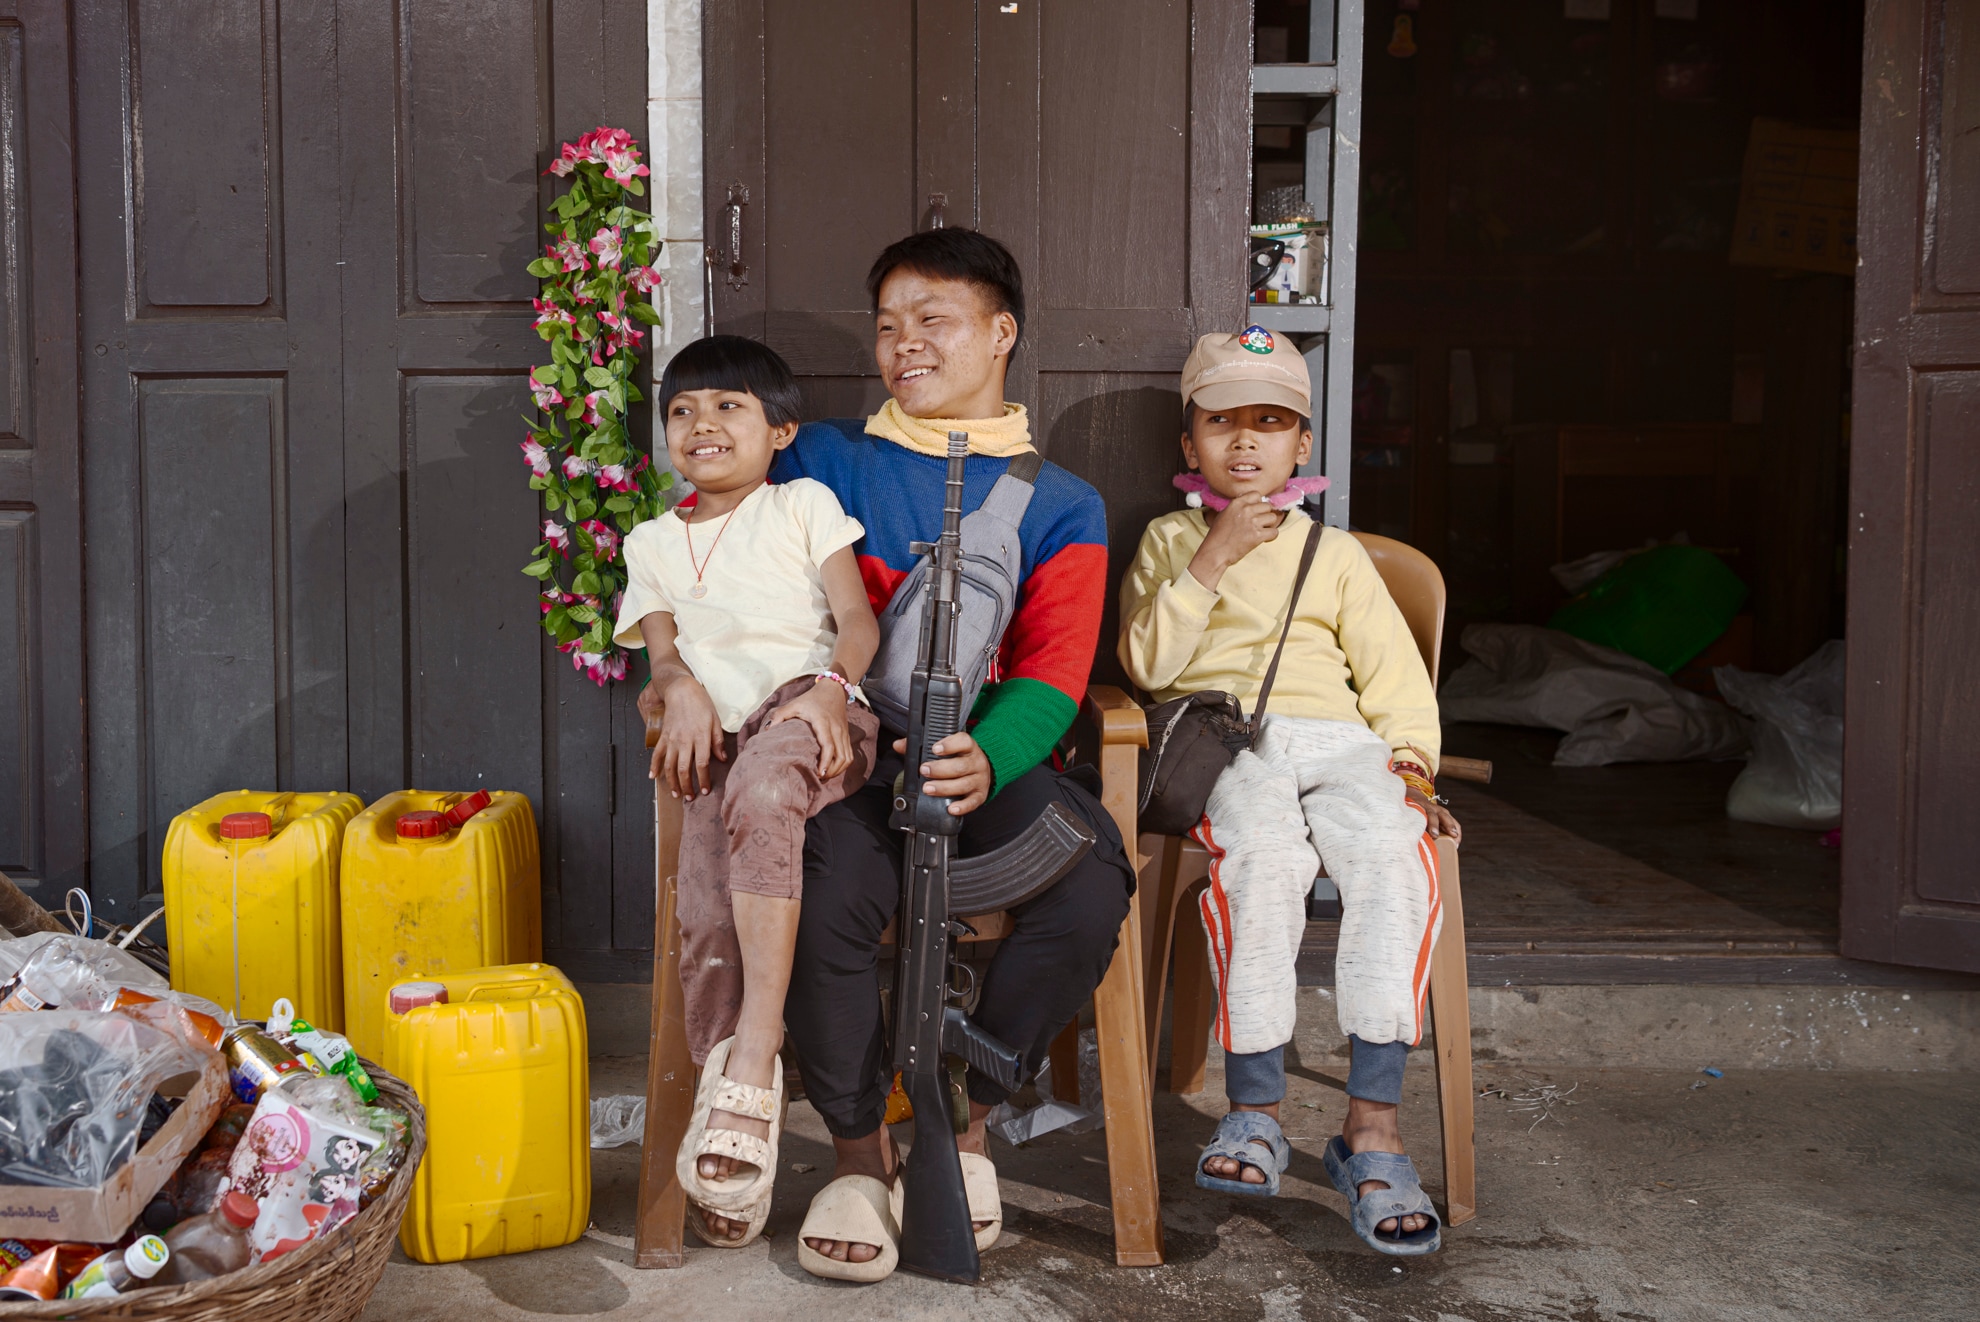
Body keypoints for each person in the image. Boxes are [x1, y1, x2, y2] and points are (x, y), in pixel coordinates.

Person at [644, 228, 1133, 1282]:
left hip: (981, 763)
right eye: (887, 325)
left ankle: (964, 1123)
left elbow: (1054, 672)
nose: (904, 342)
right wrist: (673, 674)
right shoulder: (815, 457)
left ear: (1000, 333)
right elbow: (693, 566)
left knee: (1090, 883)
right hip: (840, 751)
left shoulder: (1065, 502)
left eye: (932, 319)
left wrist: (987, 757)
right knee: (817, 895)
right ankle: (859, 1152)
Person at [1116, 327, 1460, 1257]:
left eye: (1270, 422)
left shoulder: (1335, 554)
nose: (1245, 441)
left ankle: (1373, 1129)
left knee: (1392, 858)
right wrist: (1212, 558)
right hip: (1233, 742)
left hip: (1342, 741)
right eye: (1221, 422)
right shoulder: (1169, 540)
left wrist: (1411, 768)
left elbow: (1394, 682)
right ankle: (1256, 1112)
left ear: (1302, 443)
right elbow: (1148, 665)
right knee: (1264, 861)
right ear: (1190, 443)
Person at [613, 335, 883, 1249]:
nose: (703, 424)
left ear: (781, 431)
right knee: (704, 910)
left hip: (813, 716)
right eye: (682, 411)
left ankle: (755, 1061)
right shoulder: (651, 542)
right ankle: (731, 1124)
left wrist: (832, 690)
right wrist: (680, 688)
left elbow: (857, 622)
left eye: (729, 406)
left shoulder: (802, 505)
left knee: (767, 793)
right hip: (722, 743)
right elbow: (662, 656)